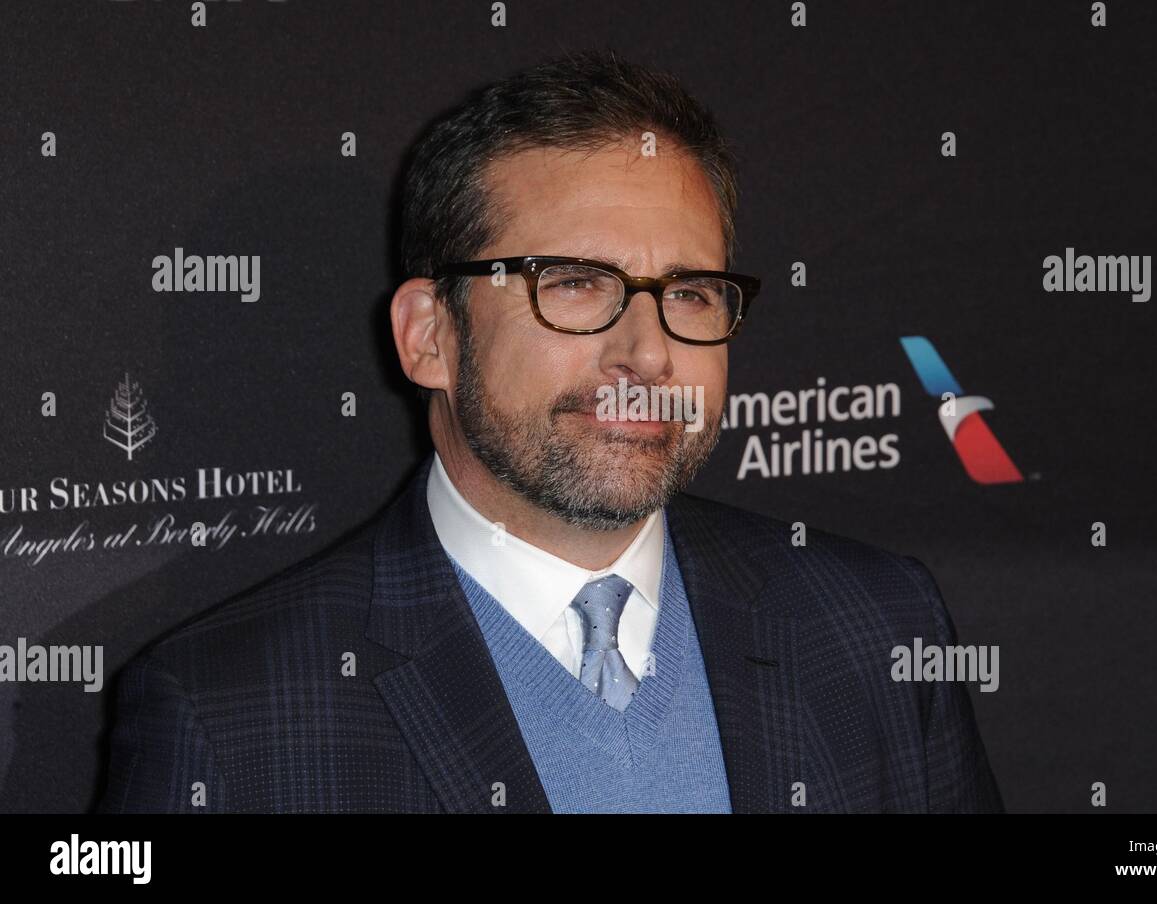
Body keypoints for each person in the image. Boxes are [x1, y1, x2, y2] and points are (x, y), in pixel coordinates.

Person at [97, 49, 1003, 813]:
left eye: (688, 293)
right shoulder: (227, 713)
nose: (647, 354)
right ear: (430, 335)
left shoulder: (874, 626)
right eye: (575, 283)